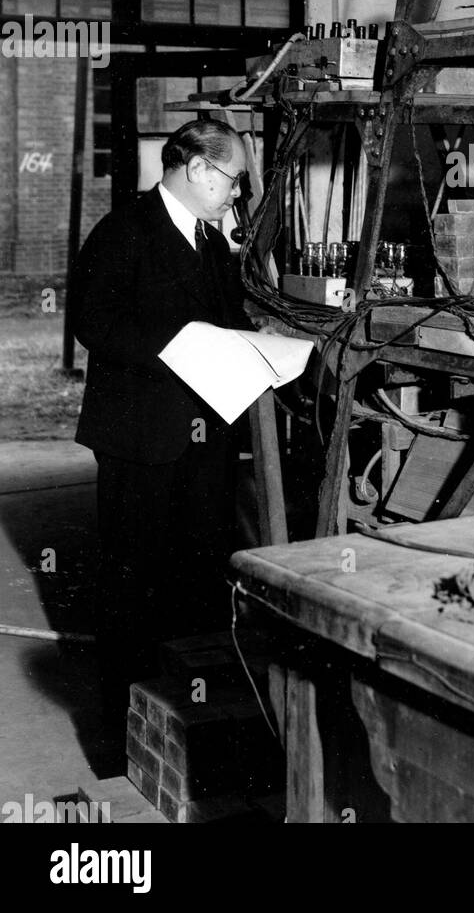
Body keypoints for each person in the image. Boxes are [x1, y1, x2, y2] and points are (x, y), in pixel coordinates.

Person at [72, 118, 254, 739]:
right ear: (199, 169)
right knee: (132, 584)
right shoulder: (123, 231)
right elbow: (94, 326)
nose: (237, 195)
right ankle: (121, 733)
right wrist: (185, 350)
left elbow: (229, 321)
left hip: (207, 439)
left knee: (199, 576)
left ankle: (186, 727)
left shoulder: (210, 240)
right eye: (234, 181)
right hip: (141, 440)